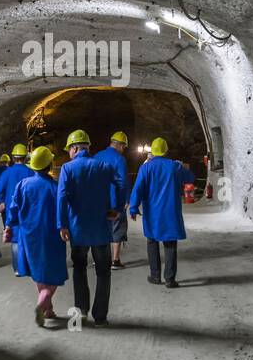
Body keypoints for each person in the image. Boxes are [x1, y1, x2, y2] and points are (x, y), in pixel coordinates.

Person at [56, 129, 124, 326]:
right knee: (103, 271)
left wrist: (62, 224)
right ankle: (100, 316)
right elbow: (120, 184)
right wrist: (117, 209)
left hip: (78, 229)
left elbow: (61, 197)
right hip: (101, 228)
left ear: (75, 148)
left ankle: (81, 310)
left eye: (69, 149)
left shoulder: (68, 169)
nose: (69, 153)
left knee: (79, 268)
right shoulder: (103, 166)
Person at [4, 146, 68, 327]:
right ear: (49, 165)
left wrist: (9, 226)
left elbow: (13, 209)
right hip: (51, 235)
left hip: (29, 236)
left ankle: (48, 309)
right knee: (54, 274)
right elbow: (64, 210)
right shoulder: (55, 187)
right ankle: (43, 302)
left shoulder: (22, 185)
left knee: (39, 273)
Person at [129, 137, 195, 288]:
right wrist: (183, 166)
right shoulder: (174, 167)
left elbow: (138, 189)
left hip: (152, 213)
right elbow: (190, 178)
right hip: (170, 211)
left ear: (152, 151)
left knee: (152, 242)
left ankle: (155, 275)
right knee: (170, 244)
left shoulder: (145, 168)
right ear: (166, 151)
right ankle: (170, 279)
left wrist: (133, 208)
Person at [0, 142, 36, 276]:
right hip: (28, 211)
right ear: (25, 157)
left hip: (13, 212)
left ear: (13, 157)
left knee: (15, 241)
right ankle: (30, 267)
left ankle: (17, 269)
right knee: (28, 238)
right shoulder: (30, 172)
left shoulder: (7, 173)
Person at [93, 131, 130, 270]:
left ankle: (99, 259)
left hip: (97, 200)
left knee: (100, 228)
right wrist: (123, 203)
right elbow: (122, 183)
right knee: (117, 228)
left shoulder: (97, 156)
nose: (123, 150)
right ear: (120, 145)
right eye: (124, 147)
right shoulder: (119, 159)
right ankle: (115, 260)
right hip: (113, 201)